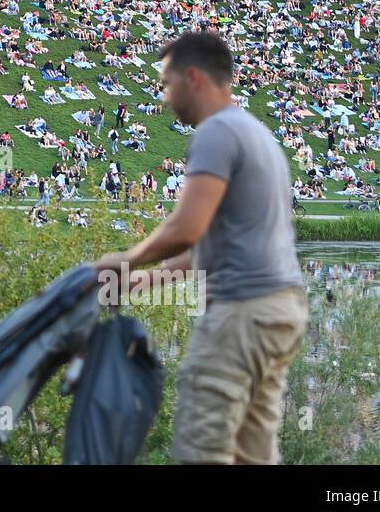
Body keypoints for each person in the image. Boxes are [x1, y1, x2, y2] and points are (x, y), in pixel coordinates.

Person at [95, 32, 306, 465]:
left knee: (202, 448)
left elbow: (187, 228)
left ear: (193, 78)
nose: (164, 97)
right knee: (252, 454)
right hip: (278, 312)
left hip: (241, 315)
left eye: (166, 84)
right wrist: (139, 281)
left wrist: (121, 261)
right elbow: (213, 249)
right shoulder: (258, 135)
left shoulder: (217, 132)